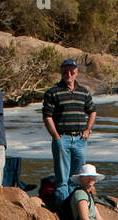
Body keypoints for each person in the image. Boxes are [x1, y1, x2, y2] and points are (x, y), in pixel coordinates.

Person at [43, 57, 95, 207]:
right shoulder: (53, 92)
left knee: (78, 178)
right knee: (62, 179)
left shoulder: (83, 92)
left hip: (80, 140)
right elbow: (47, 116)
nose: (69, 74)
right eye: (66, 71)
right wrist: (56, 136)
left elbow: (92, 112)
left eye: (72, 71)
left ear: (76, 72)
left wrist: (87, 130)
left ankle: (75, 207)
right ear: (61, 72)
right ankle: (63, 210)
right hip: (62, 139)